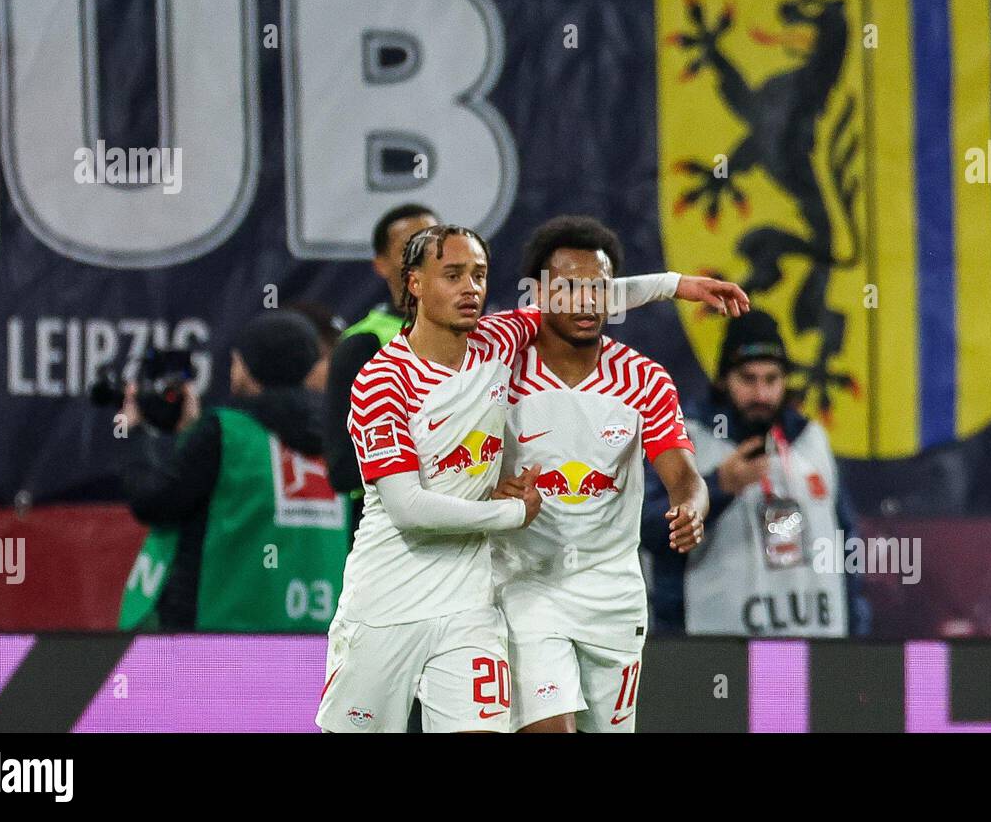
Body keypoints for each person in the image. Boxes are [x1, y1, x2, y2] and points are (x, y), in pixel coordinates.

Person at [315, 224, 747, 733]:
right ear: (413, 283)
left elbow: (586, 296)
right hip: (390, 599)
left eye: (478, 275)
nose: (470, 288)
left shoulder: (499, 343)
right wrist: (511, 512)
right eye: (453, 275)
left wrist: (678, 284)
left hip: (472, 602)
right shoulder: (381, 381)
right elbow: (408, 510)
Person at [492, 216, 708, 733]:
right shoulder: (500, 368)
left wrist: (691, 510)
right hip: (526, 586)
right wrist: (486, 492)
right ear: (539, 293)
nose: (587, 303)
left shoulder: (644, 378)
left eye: (599, 289)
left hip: (613, 595)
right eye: (569, 288)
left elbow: (683, 475)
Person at [642, 309, 870, 637]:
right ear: (723, 379)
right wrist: (718, 487)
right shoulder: (688, 438)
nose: (761, 394)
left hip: (814, 645)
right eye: (748, 379)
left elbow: (845, 539)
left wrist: (856, 632)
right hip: (717, 652)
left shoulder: (810, 440)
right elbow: (648, 529)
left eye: (772, 379)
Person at [118, 310, 349, 632]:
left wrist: (136, 434)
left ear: (248, 368)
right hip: (317, 641)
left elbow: (154, 501)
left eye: (236, 360)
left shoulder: (225, 433)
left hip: (220, 642)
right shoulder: (341, 436)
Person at [322, 204, 438, 507]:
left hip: (469, 534)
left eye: (431, 245)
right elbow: (343, 468)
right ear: (381, 264)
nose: (422, 256)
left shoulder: (476, 339)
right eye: (408, 248)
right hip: (387, 532)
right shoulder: (361, 346)